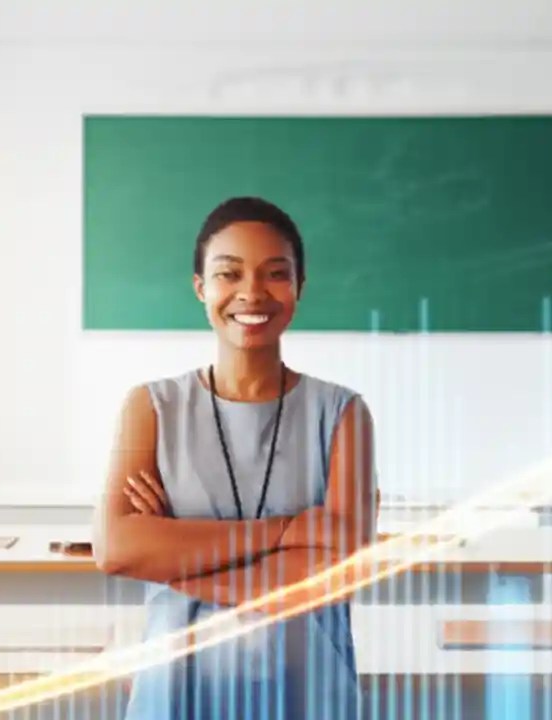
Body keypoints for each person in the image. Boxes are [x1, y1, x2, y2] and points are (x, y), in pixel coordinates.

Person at [93, 196, 377, 719]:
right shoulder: (151, 406)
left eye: (275, 273)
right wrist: (288, 532)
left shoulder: (342, 413)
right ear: (201, 287)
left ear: (299, 288)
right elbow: (115, 547)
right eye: (229, 274)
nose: (251, 292)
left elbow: (336, 565)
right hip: (176, 689)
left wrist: (176, 562)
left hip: (308, 691)